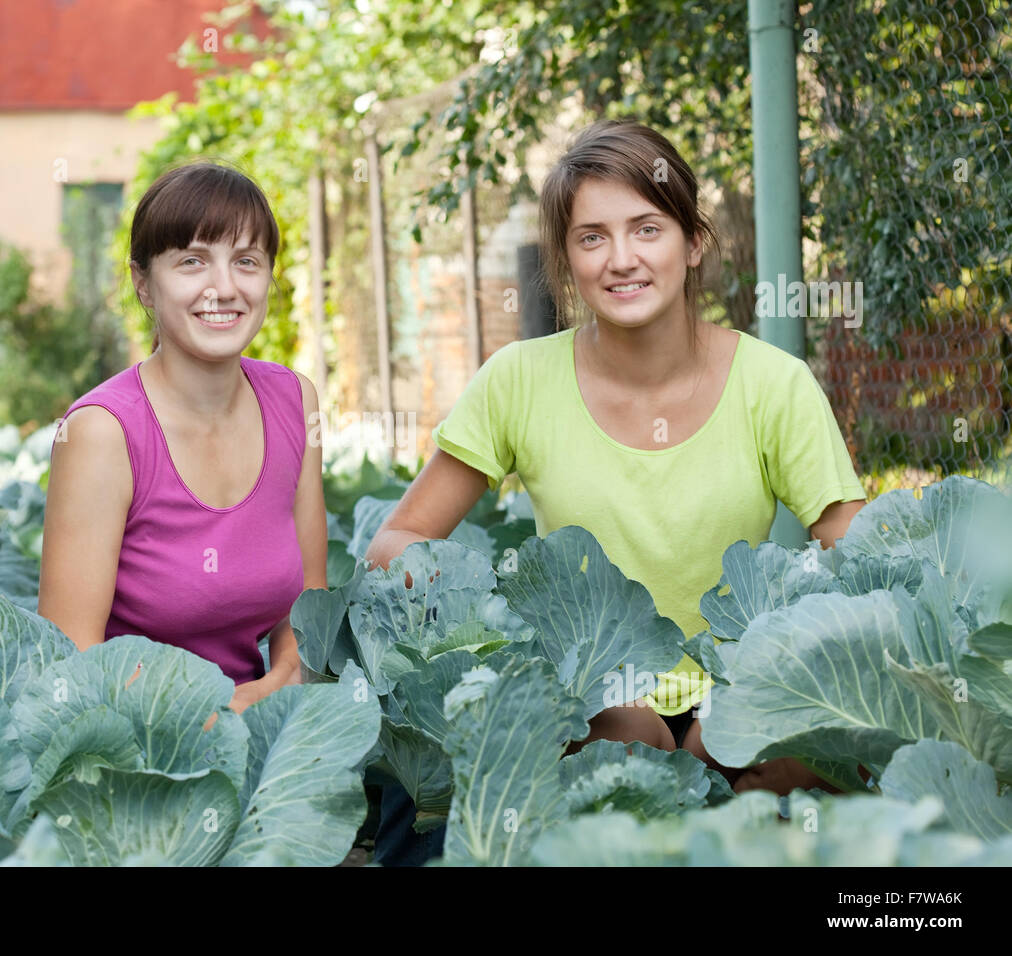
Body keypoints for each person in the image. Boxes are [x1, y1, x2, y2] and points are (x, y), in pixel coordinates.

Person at [364, 119, 868, 864]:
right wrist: (550, 672)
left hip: (734, 696)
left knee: (788, 769)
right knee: (568, 761)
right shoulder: (519, 380)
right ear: (566, 259)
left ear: (693, 242)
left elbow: (858, 563)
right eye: (592, 237)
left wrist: (751, 695)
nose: (621, 259)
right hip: (582, 693)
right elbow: (392, 546)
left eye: (647, 229)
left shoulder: (773, 384)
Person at [38, 161, 326, 716]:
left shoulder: (296, 401)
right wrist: (211, 717)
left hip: (265, 734)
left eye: (246, 261)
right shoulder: (101, 432)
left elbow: (308, 611)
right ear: (144, 283)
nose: (224, 287)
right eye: (192, 261)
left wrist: (270, 694)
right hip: (132, 748)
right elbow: (71, 658)